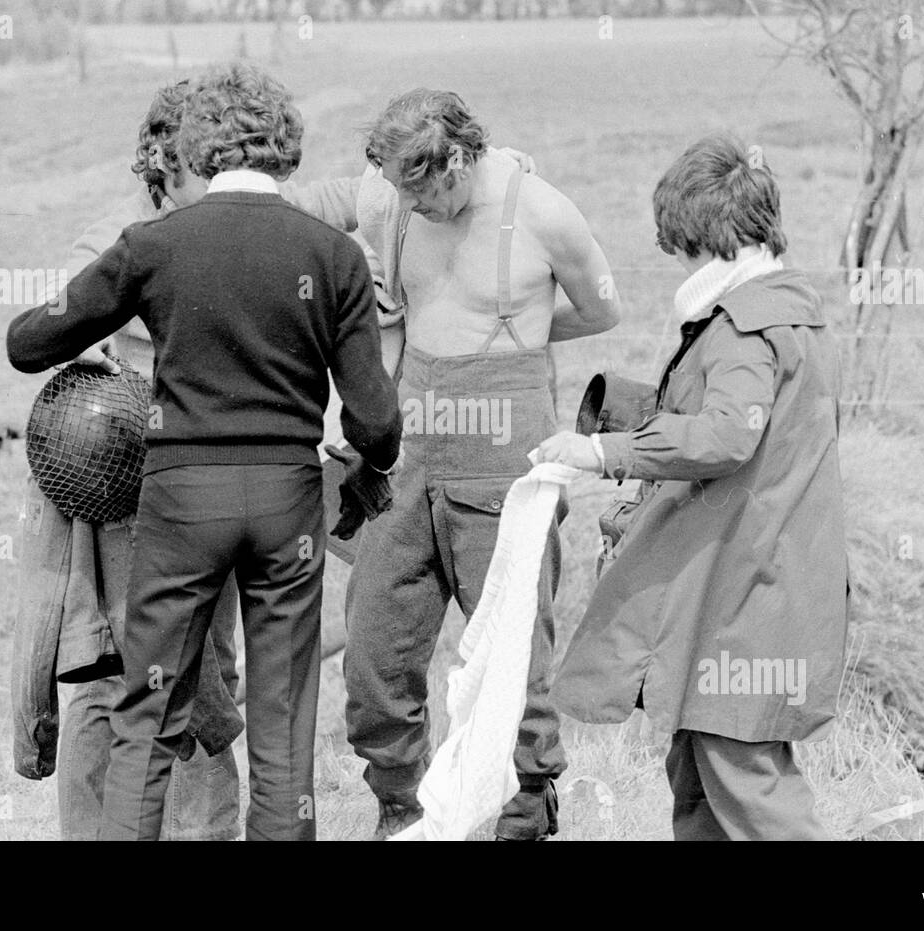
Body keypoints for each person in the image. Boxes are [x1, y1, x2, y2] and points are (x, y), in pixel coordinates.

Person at [7, 62, 402, 841]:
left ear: (195, 148)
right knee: (283, 729)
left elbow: (29, 342)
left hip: (181, 503)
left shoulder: (154, 245)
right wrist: (361, 462)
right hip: (288, 504)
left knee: (147, 720)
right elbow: (375, 423)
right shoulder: (332, 255)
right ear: (285, 146)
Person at [538, 133, 847, 840]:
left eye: (682, 243)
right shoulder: (791, 312)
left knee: (743, 776)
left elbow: (726, 436)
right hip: (757, 576)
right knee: (699, 770)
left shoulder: (744, 328)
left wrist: (601, 450)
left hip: (745, 594)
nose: (676, 258)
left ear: (712, 239)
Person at [340, 89, 621, 840]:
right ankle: (402, 805)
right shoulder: (393, 199)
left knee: (511, 646)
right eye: (401, 191)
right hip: (410, 437)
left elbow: (603, 308)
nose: (412, 206)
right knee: (376, 644)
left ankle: (526, 801)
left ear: (459, 161)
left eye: (424, 190)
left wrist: (523, 332)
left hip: (504, 443)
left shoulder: (544, 212)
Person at [11, 80, 244, 841]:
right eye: (203, 162)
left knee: (206, 672)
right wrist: (106, 367)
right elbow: (55, 321)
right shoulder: (120, 236)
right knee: (107, 675)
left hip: (208, 484)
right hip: (122, 488)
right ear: (163, 166)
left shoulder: (236, 225)